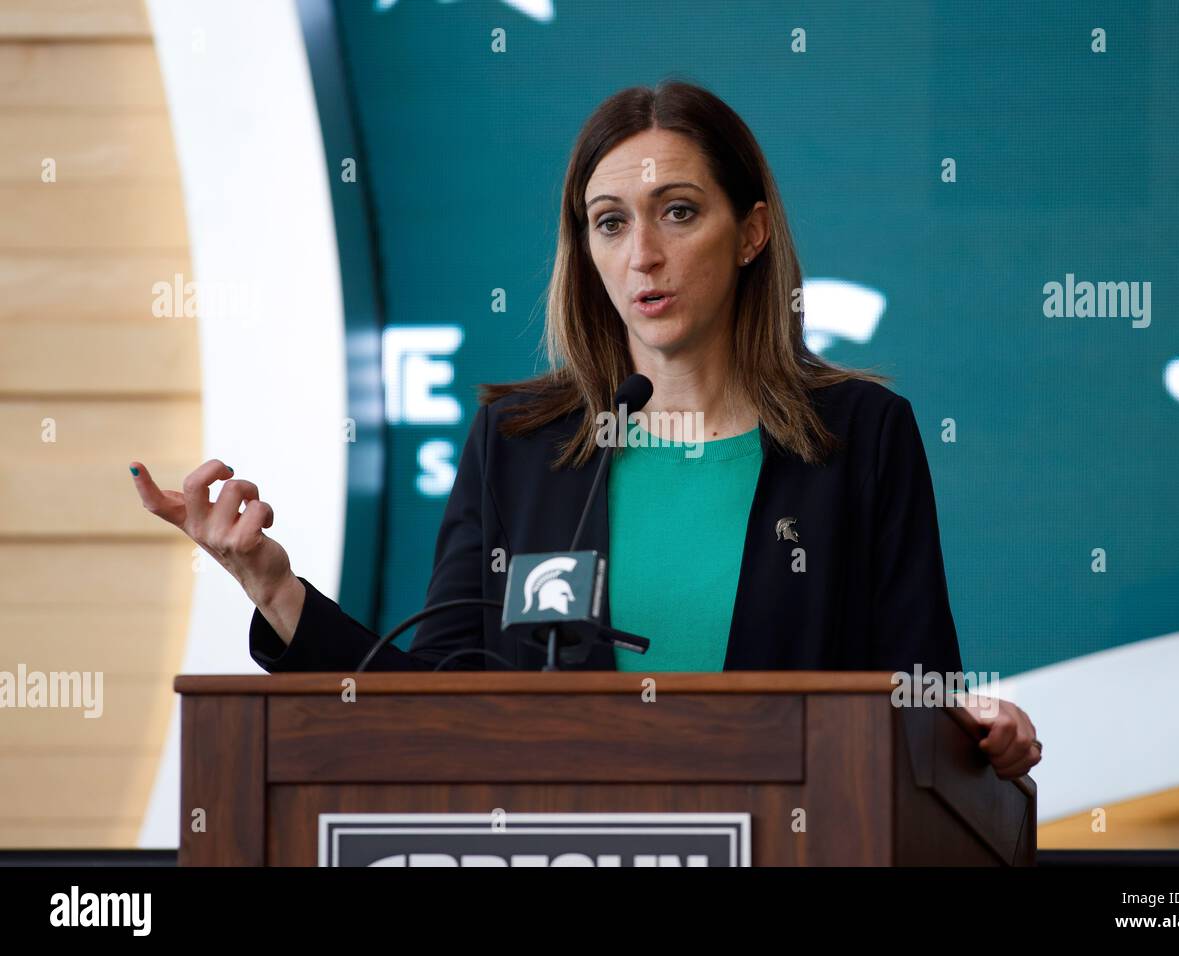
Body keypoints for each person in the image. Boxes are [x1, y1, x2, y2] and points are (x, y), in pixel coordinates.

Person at [130, 80, 1041, 780]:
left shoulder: (860, 437)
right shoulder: (521, 445)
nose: (643, 255)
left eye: (678, 212)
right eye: (610, 223)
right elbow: (435, 700)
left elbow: (917, 693)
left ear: (752, 232)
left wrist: (979, 733)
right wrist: (275, 590)